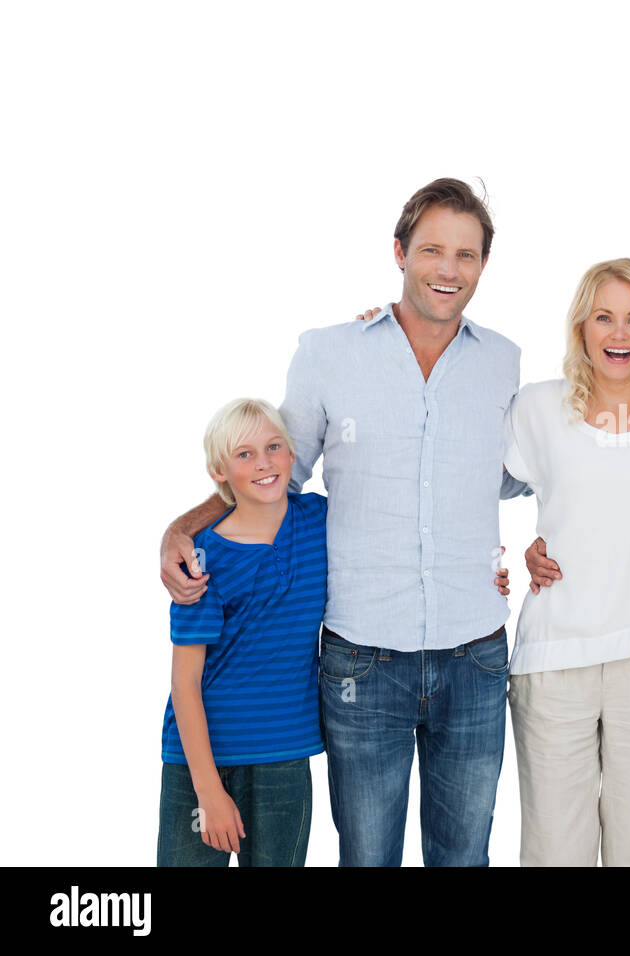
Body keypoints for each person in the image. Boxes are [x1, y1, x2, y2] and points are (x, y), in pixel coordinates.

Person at [160, 178, 525, 866]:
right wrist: (182, 527)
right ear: (399, 252)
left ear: (482, 264)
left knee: (465, 855)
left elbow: (518, 471)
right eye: (433, 250)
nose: (449, 269)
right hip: (363, 659)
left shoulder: (503, 361)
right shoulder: (330, 352)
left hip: (475, 653)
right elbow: (274, 478)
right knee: (365, 857)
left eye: (467, 255)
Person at [502, 258, 630, 866]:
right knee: (554, 846)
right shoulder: (536, 408)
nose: (619, 334)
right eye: (604, 318)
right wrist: (510, 551)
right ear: (581, 328)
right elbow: (461, 482)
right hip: (554, 656)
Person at [158, 398, 326, 867]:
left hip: (284, 755)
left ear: (294, 456)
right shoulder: (201, 558)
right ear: (219, 472)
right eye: (244, 455)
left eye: (274, 447)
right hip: (201, 759)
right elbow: (184, 682)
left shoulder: (320, 523)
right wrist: (208, 792)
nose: (264, 463)